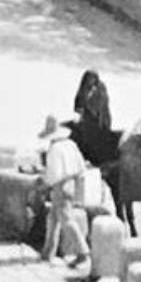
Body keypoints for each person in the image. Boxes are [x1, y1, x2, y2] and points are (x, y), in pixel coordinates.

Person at [37, 114, 92, 269]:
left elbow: (53, 174)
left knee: (67, 219)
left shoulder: (54, 149)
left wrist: (43, 183)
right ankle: (48, 252)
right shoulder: (71, 145)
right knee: (53, 218)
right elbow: (81, 167)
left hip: (60, 186)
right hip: (72, 184)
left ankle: (83, 252)